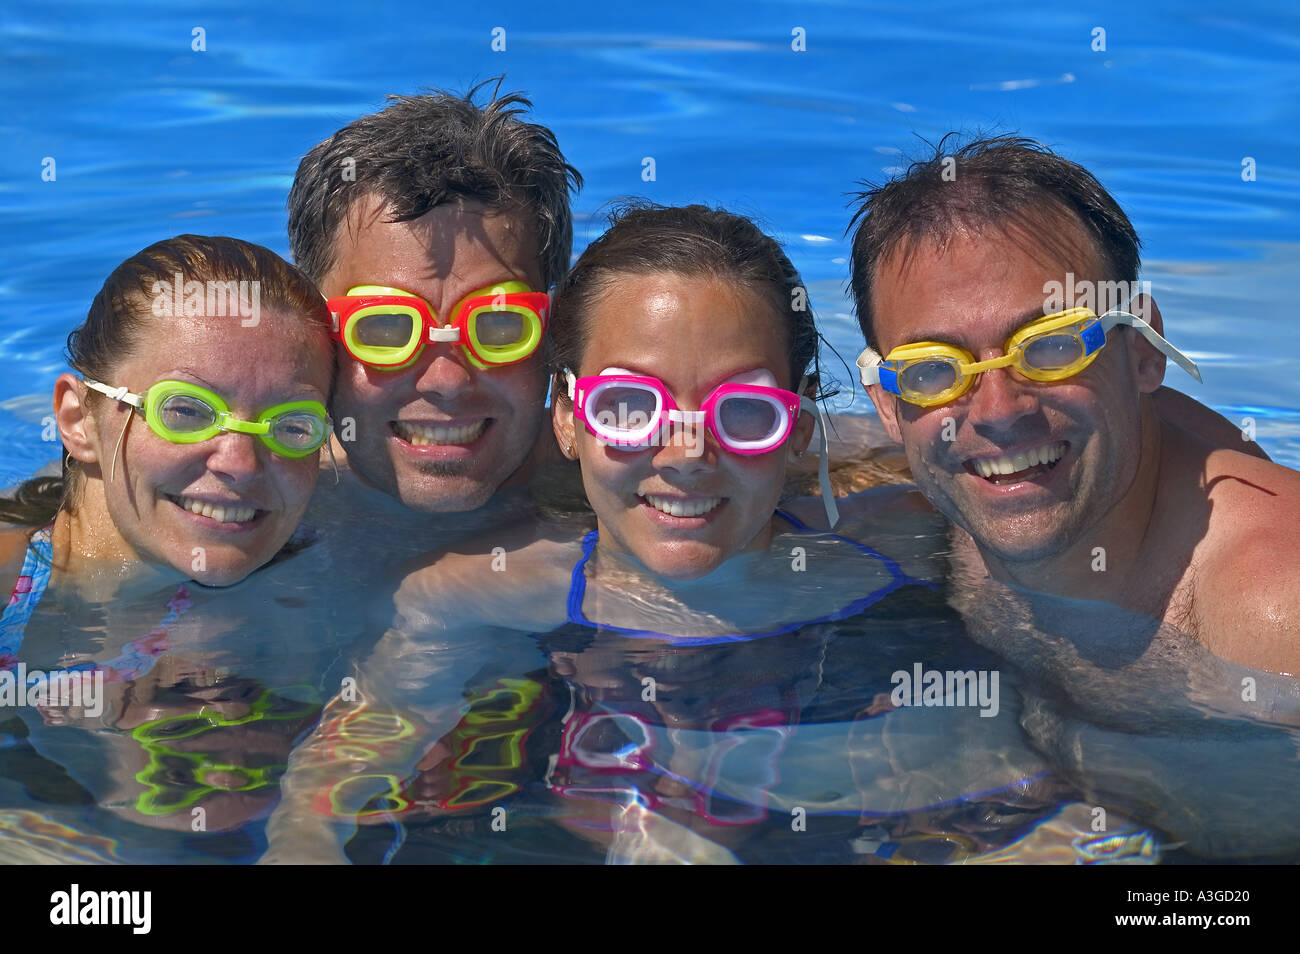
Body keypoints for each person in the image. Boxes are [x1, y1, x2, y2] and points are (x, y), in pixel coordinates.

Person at [262, 205, 1054, 864]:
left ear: (795, 428)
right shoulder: (481, 589)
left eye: (742, 413)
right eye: (628, 408)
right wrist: (303, 840)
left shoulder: (905, 546)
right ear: (570, 421)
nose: (686, 458)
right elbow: (363, 741)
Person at [848, 136, 1300, 675]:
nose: (998, 411)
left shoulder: (1274, 612)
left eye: (1051, 346)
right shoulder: (927, 500)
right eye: (934, 370)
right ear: (888, 405)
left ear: (1142, 351)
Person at [0, 234, 333, 664]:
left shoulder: (318, 579)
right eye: (187, 411)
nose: (242, 464)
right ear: (78, 420)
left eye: (290, 425)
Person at [286, 82, 582, 538]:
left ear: (558, 330)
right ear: (307, 321)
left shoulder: (643, 501)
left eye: (498, 325)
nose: (446, 382)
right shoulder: (246, 498)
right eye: (385, 327)